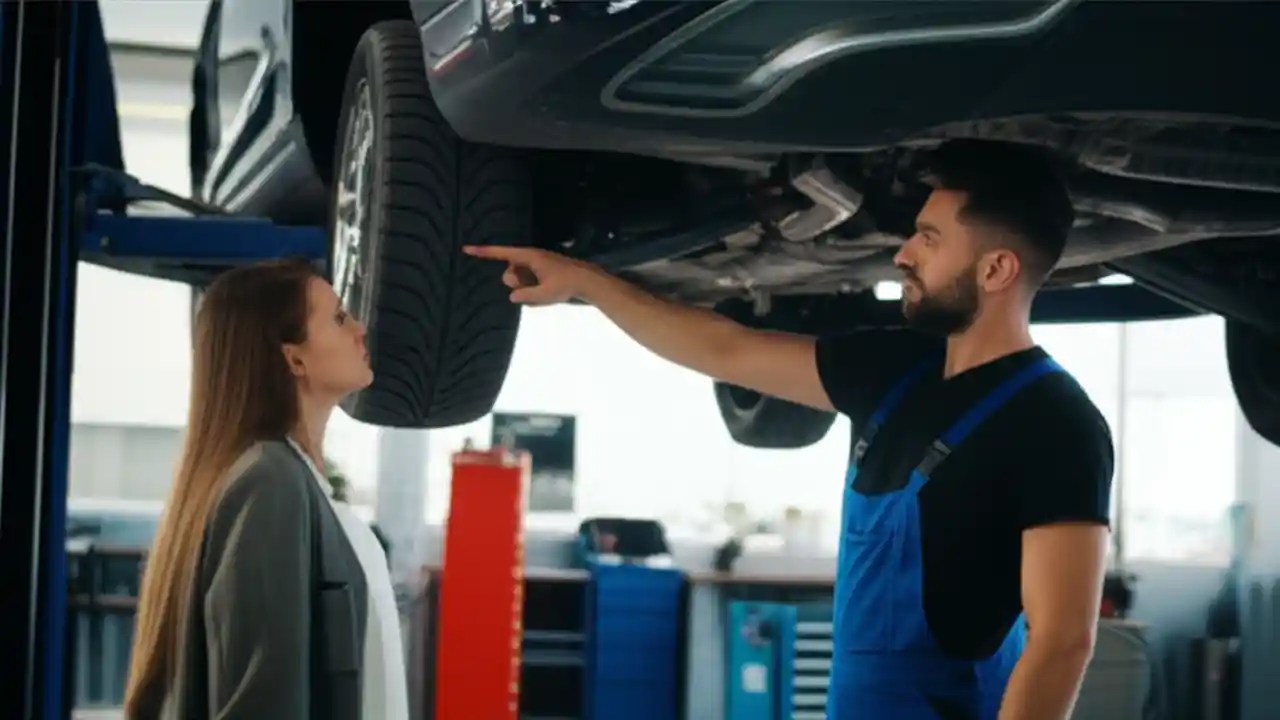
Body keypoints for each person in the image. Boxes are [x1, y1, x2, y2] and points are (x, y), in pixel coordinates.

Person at [465, 140, 1115, 719]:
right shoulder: (893, 371)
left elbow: (1063, 641)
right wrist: (586, 281)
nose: (902, 253)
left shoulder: (1056, 423)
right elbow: (728, 350)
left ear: (996, 270)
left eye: (929, 238)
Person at [123, 259, 409, 720]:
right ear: (293, 358)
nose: (360, 329)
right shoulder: (270, 483)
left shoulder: (295, 481)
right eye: (339, 318)